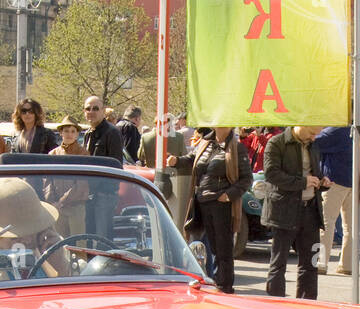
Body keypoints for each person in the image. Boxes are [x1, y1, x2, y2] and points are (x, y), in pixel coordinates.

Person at [183, 127, 252, 293]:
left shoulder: (236, 147)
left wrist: (228, 195)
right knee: (205, 244)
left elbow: (246, 179)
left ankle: (225, 286)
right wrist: (175, 161)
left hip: (221, 204)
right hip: (201, 202)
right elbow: (192, 159)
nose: (220, 125)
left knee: (223, 248)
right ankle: (210, 281)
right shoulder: (205, 143)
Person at [262, 125, 326, 299]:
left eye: (317, 134)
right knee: (278, 263)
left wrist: (321, 181)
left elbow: (313, 174)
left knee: (310, 264)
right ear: (301, 124)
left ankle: (307, 307)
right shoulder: (276, 142)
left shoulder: (312, 144)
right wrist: (303, 182)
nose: (314, 138)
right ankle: (276, 307)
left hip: (310, 211)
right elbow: (271, 174)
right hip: (283, 212)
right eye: (312, 133)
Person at [82, 95, 125, 236]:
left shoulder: (112, 132)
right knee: (88, 235)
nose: (91, 111)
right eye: (88, 109)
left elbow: (116, 165)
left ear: (103, 111)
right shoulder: (88, 134)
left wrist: (101, 189)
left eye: (95, 108)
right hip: (88, 194)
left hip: (104, 194)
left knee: (103, 237)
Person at [139, 114, 191, 231]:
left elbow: (140, 155)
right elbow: (183, 155)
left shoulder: (146, 137)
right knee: (171, 213)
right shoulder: (178, 137)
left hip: (151, 176)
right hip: (174, 179)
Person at [314, 126, 355, 276]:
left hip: (334, 182)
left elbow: (314, 142)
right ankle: (347, 264)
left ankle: (320, 262)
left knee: (326, 223)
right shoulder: (355, 130)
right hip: (353, 181)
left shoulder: (334, 131)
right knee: (350, 227)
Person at [44, 115, 89, 237]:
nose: (69, 134)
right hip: (57, 207)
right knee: (59, 243)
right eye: (66, 131)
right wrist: (52, 201)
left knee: (78, 244)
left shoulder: (83, 153)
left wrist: (62, 201)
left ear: (77, 134)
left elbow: (82, 183)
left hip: (76, 206)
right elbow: (47, 181)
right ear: (60, 133)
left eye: (73, 131)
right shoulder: (53, 154)